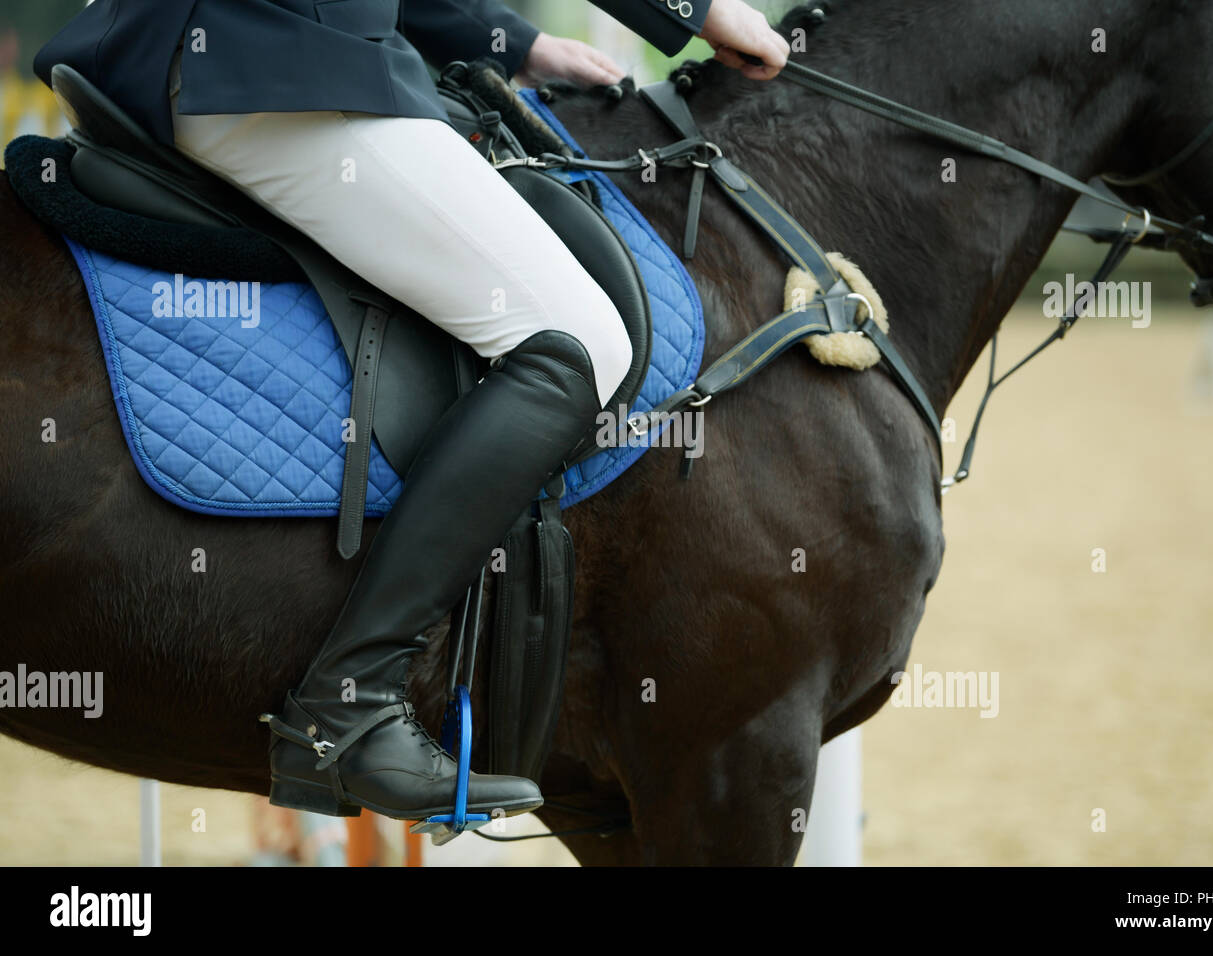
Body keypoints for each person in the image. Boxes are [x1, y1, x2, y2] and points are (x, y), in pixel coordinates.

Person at [33, 0, 789, 823]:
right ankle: (346, 704)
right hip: (275, 64)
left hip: (219, 45)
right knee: (574, 342)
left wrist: (510, 42)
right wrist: (699, 10)